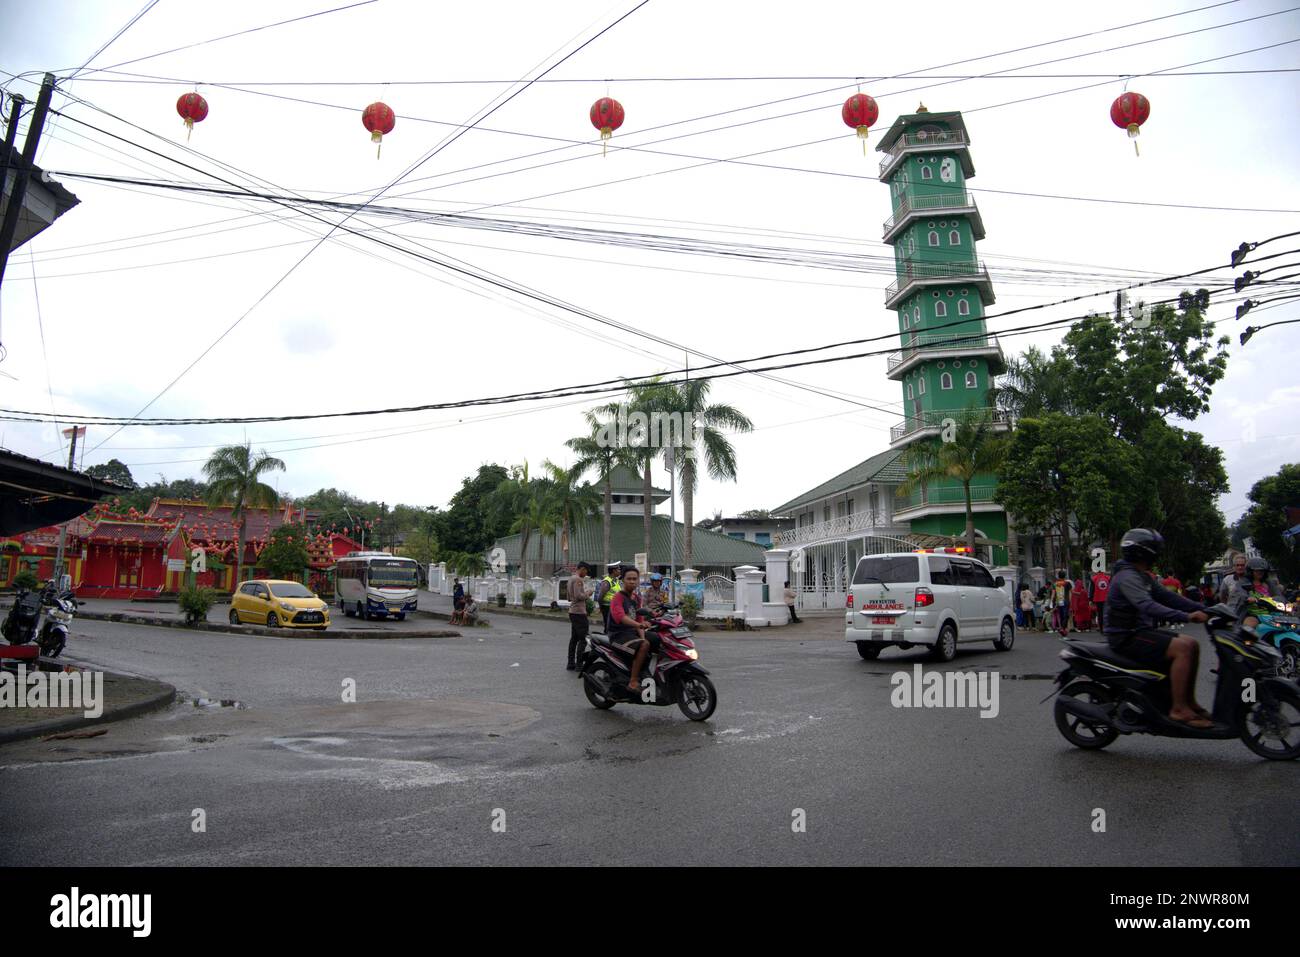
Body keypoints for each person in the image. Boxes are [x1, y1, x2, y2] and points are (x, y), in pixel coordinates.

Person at [1103, 528, 1211, 729]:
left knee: (1192, 643)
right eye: (1155, 550)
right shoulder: (1127, 576)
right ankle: (1178, 709)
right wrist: (1187, 616)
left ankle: (1189, 701)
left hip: (1140, 632)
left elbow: (1168, 597)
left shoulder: (1142, 576)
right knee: (1183, 648)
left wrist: (1206, 609)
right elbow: (1148, 605)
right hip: (1126, 636)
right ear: (1143, 552)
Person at [607, 567, 652, 696]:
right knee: (644, 645)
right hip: (618, 635)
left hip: (631, 634)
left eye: (634, 579)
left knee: (657, 639)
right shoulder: (618, 597)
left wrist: (642, 633)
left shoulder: (637, 598)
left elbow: (640, 618)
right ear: (623, 581)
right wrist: (639, 626)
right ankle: (633, 682)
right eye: (629, 579)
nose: (632, 581)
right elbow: (621, 617)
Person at [566, 563, 591, 671]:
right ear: (582, 569)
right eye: (586, 571)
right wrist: (588, 593)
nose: (586, 574)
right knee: (583, 639)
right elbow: (578, 596)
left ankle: (571, 663)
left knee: (574, 638)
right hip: (579, 612)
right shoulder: (578, 580)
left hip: (573, 611)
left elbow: (569, 597)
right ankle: (579, 664)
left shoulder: (571, 578)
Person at [597, 562, 621, 632]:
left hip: (614, 607)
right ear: (614, 571)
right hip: (607, 608)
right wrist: (601, 608)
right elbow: (600, 597)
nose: (620, 571)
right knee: (608, 626)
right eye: (618, 569)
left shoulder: (615, 581)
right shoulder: (607, 582)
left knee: (613, 626)